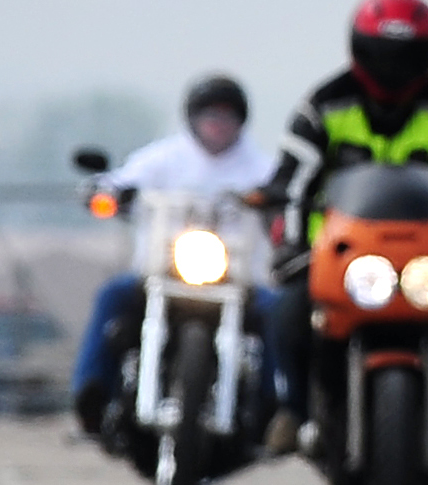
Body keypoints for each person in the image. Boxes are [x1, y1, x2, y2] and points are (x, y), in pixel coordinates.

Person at [256, 0, 428, 461]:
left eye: (407, 56)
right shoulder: (324, 106)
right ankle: (296, 410)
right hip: (337, 259)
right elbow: (290, 184)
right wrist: (291, 248)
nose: (394, 68)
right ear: (358, 49)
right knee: (287, 313)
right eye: (383, 54)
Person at [70, 75, 276, 434]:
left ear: (240, 122)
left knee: (281, 313)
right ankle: (92, 394)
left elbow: (286, 201)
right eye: (210, 116)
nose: (217, 125)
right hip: (160, 275)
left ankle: (278, 410)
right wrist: (104, 194)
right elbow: (119, 184)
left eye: (226, 118)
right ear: (192, 119)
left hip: (238, 282)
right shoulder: (162, 160)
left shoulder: (262, 169)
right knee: (111, 296)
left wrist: (283, 213)